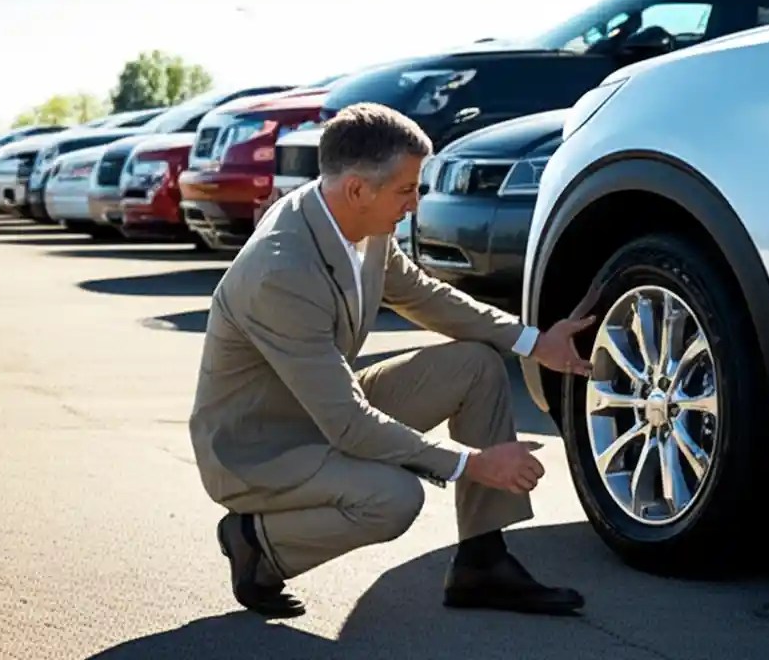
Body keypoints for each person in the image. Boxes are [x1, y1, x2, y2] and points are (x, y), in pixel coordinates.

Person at [188, 102, 595, 619]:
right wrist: (471, 463)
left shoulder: (352, 218)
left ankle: (482, 562)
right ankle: (257, 541)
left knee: (476, 365)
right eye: (407, 190)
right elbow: (347, 423)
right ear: (358, 188)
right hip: (261, 446)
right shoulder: (281, 271)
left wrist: (532, 341)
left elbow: (419, 293)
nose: (415, 203)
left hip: (320, 405)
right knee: (393, 498)